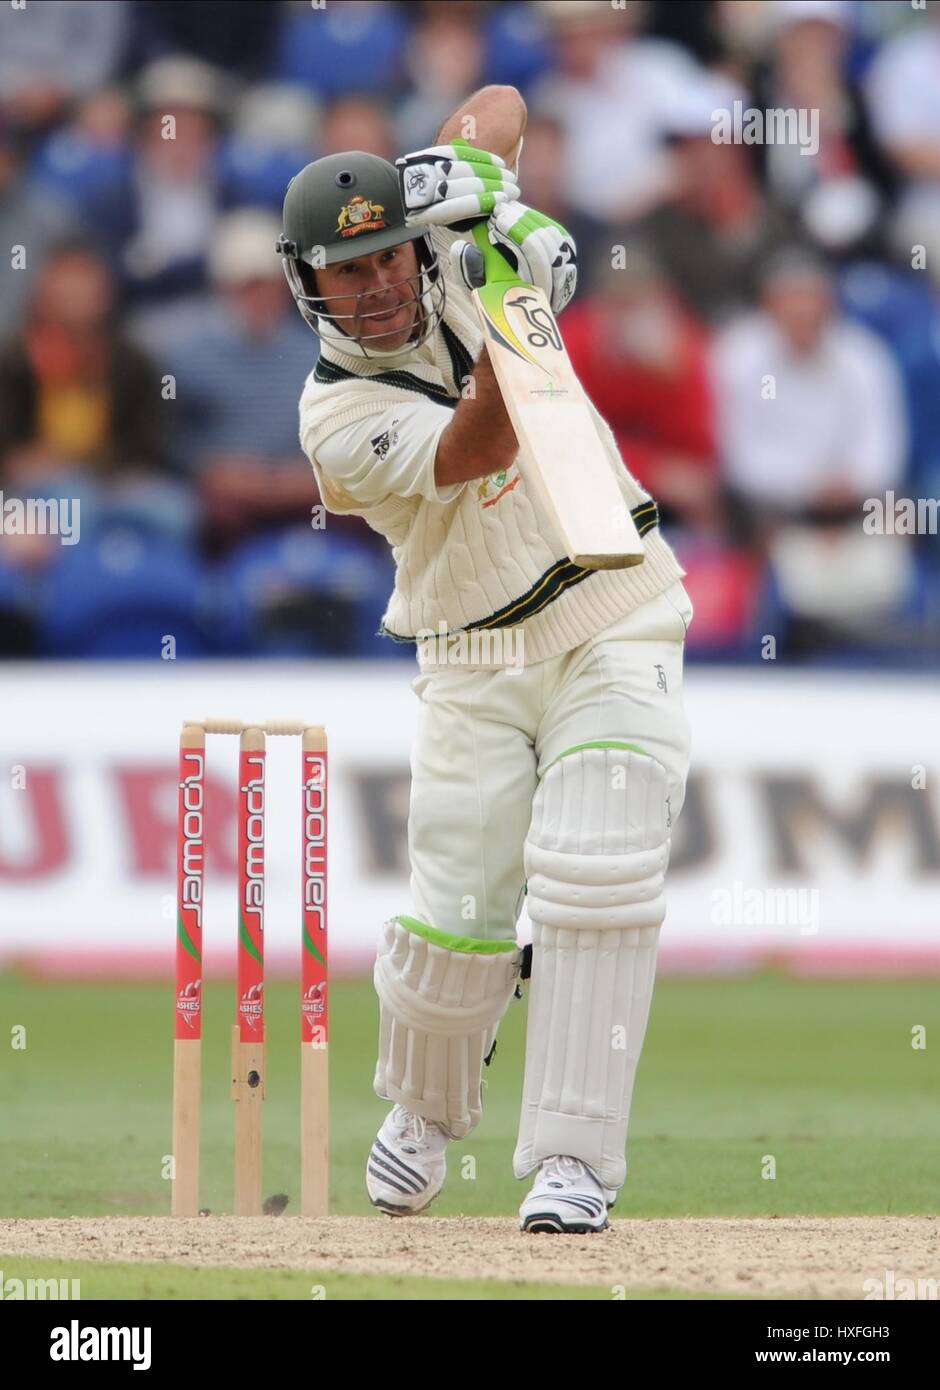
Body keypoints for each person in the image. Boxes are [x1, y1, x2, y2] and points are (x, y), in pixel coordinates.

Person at [278, 84, 694, 1234]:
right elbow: (486, 437)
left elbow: (501, 104)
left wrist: (482, 192)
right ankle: (422, 1108)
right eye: (344, 273)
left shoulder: (453, 253)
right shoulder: (333, 417)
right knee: (457, 911)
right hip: (472, 649)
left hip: (616, 603)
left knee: (599, 869)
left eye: (389, 261)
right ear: (306, 282)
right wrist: (523, 300)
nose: (375, 287)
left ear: (412, 246)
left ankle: (571, 1163)